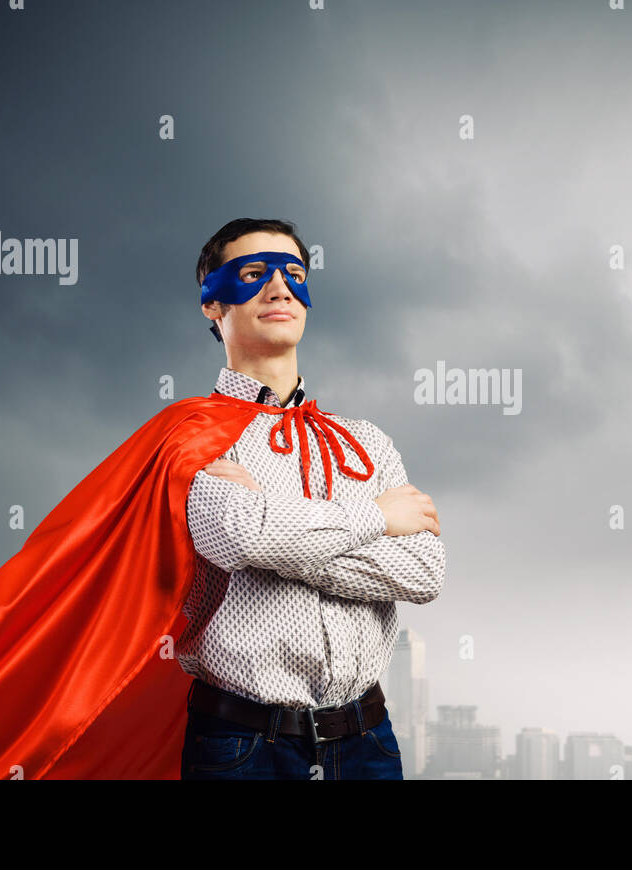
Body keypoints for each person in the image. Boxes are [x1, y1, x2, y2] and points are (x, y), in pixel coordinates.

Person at [177, 218, 445, 779]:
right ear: (211, 304)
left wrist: (283, 537)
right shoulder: (196, 436)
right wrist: (378, 516)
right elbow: (237, 537)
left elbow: (422, 572)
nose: (279, 288)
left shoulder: (366, 441)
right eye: (253, 274)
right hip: (241, 746)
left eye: (293, 274)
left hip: (367, 741)